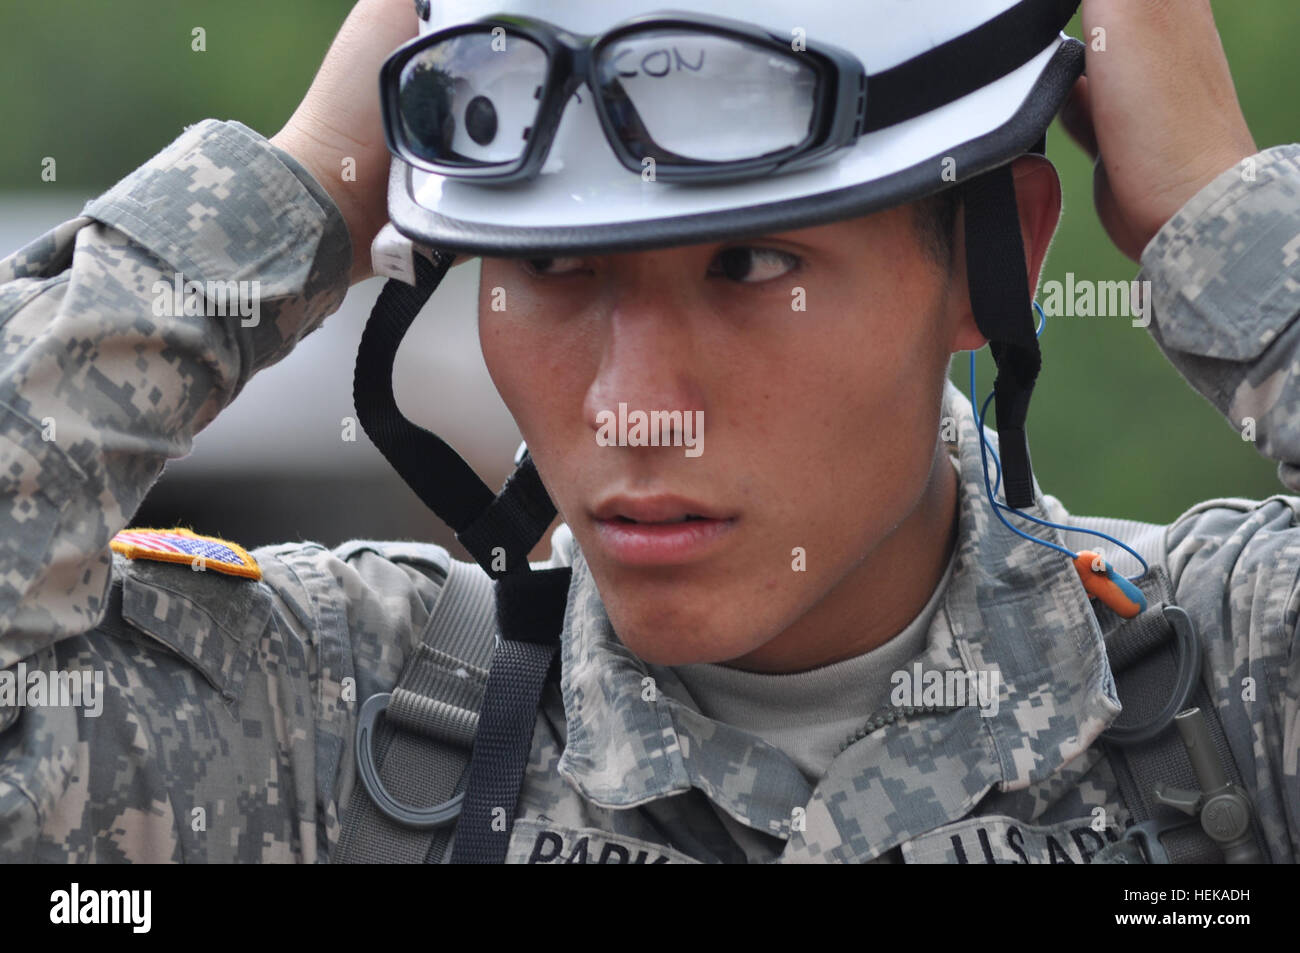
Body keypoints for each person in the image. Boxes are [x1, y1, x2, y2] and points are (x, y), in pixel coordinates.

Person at [0, 0, 1294, 864]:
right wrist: (300, 182)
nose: (633, 401)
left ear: (990, 253)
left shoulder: (1236, 699)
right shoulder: (316, 731)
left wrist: (1221, 226)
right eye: (555, 266)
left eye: (745, 264)